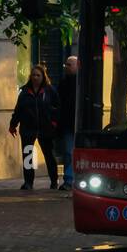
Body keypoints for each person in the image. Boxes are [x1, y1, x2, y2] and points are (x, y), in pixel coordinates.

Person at [9, 64, 59, 190]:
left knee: (49, 155)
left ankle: (54, 180)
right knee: (28, 156)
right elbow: (18, 109)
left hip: (45, 128)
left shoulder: (50, 90)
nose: (35, 77)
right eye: (33, 75)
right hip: (28, 128)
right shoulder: (24, 91)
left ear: (43, 76)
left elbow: (58, 108)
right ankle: (28, 182)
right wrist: (13, 125)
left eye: (38, 75)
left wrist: (54, 123)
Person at [56, 56, 78, 190]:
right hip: (67, 124)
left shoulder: (82, 83)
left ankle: (70, 179)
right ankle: (69, 179)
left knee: (71, 153)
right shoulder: (63, 83)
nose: (66, 67)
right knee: (68, 153)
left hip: (76, 124)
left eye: (69, 65)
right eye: (66, 65)